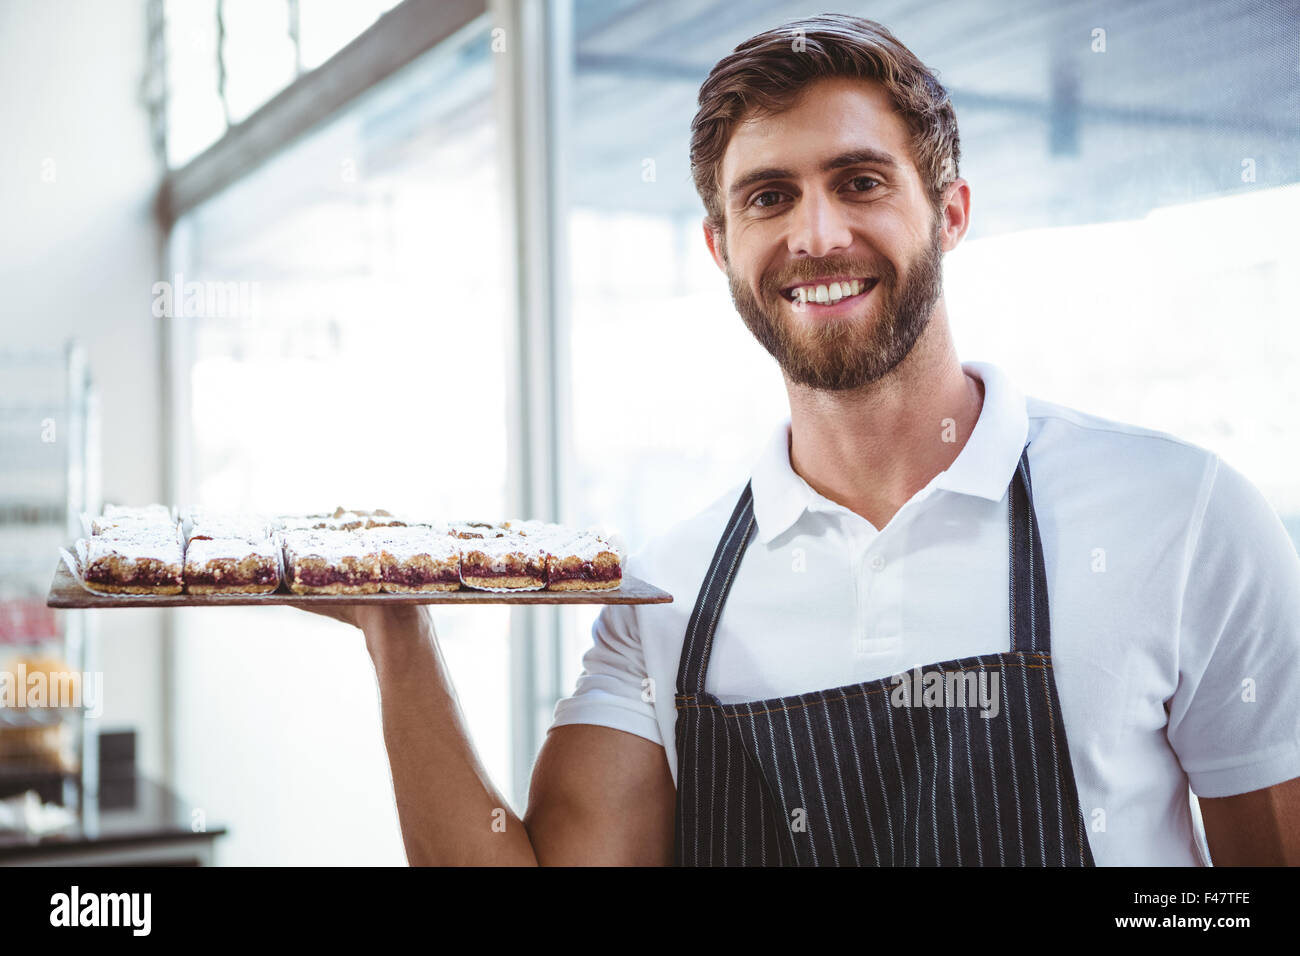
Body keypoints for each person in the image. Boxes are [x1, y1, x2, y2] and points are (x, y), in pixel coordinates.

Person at [315, 14, 1300, 866]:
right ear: (721, 248)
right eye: (768, 196)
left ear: (949, 213)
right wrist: (397, 633)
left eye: (860, 180)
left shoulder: (1181, 514)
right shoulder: (667, 592)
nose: (816, 234)